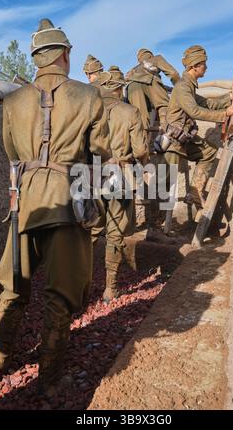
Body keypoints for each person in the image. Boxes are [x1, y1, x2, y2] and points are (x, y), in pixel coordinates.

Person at [0, 18, 111, 394]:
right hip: (68, 202)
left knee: (11, 287)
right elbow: (100, 152)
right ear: (64, 54)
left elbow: (11, 153)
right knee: (59, 293)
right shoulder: (89, 96)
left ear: (36, 58)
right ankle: (49, 380)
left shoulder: (13, 100)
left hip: (25, 205)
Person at [92, 66, 149, 302]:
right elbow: (141, 150)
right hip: (120, 175)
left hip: (90, 175)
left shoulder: (89, 112)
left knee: (91, 230)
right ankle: (110, 288)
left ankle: (79, 285)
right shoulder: (130, 112)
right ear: (118, 88)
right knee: (115, 232)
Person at [160, 45, 233, 211]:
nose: (206, 67)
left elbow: (206, 103)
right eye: (204, 64)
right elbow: (194, 111)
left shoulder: (188, 86)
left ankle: (194, 193)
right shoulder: (182, 87)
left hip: (184, 139)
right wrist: (225, 114)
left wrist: (229, 98)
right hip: (174, 142)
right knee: (165, 183)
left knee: (209, 151)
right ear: (195, 66)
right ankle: (156, 228)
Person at [125, 48, 180, 132]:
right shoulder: (155, 59)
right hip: (150, 81)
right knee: (163, 106)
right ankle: (168, 133)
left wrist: (168, 89)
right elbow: (173, 74)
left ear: (139, 60)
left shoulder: (133, 70)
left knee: (140, 120)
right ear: (151, 55)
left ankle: (143, 142)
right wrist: (179, 88)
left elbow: (142, 82)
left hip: (131, 87)